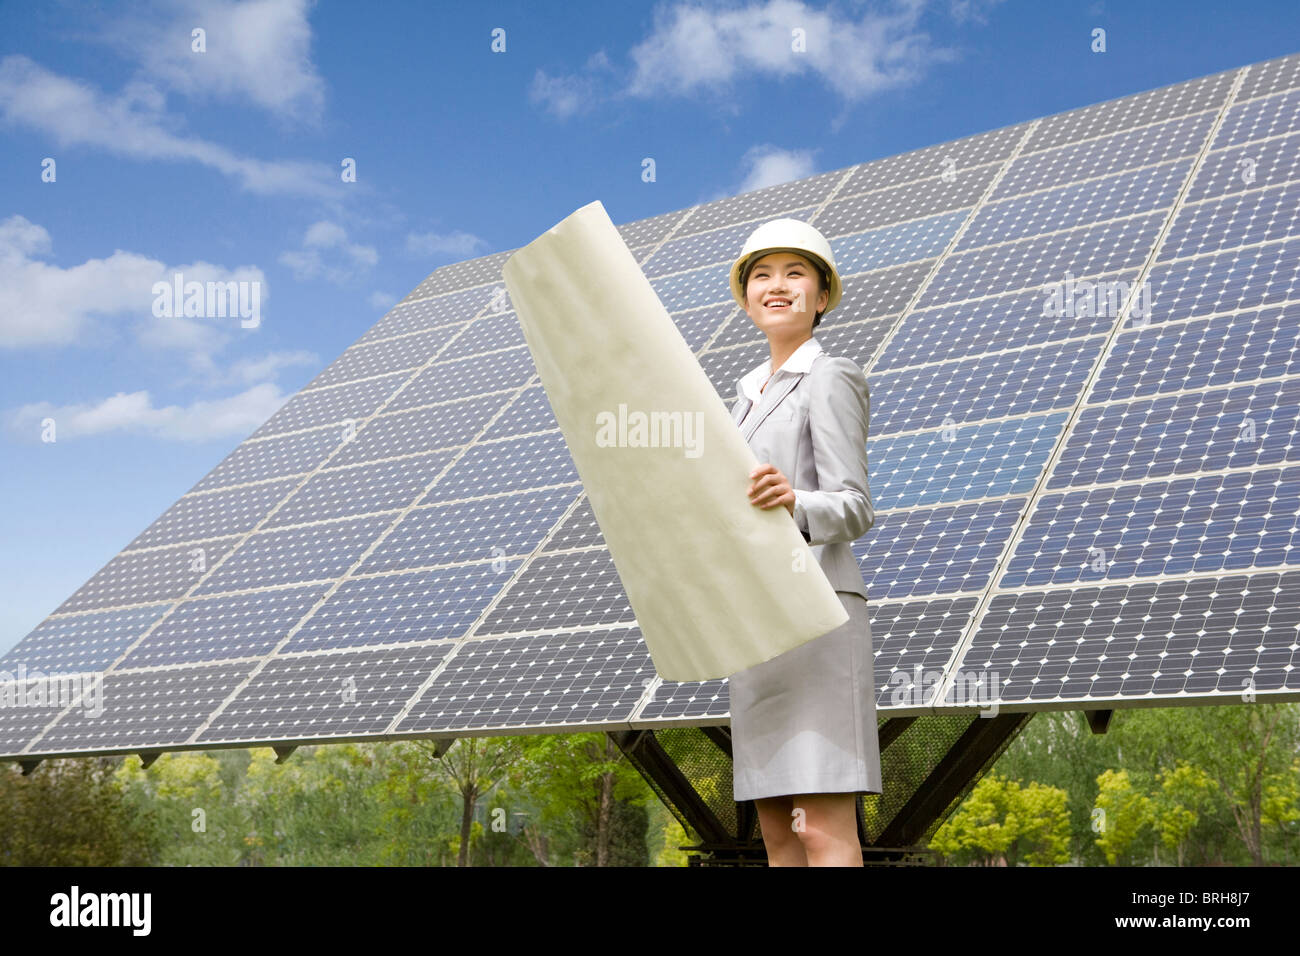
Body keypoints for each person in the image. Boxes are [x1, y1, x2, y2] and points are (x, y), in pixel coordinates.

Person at [725, 218, 882, 867]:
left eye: (795, 273)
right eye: (762, 274)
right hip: (757, 626)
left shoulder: (830, 376)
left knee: (819, 828)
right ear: (746, 297)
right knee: (778, 833)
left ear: (821, 296)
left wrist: (793, 501)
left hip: (817, 618)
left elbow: (855, 506)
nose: (777, 286)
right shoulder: (734, 402)